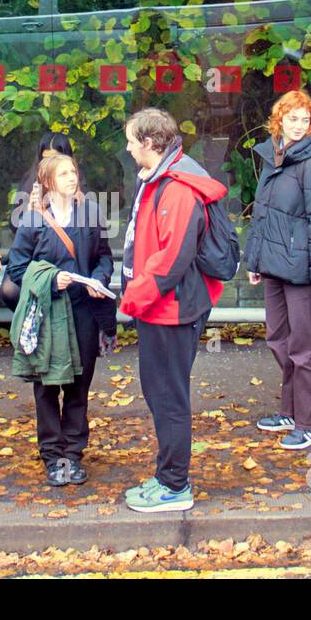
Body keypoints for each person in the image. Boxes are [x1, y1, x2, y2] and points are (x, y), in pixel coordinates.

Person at [118, 107, 227, 513]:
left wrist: (132, 297)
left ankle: (175, 487)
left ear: (150, 142)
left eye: (132, 141)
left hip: (171, 310)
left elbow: (171, 260)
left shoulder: (177, 188)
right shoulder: (164, 176)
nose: (128, 148)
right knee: (161, 394)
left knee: (169, 398)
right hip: (161, 308)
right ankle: (168, 477)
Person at [6, 152, 115, 486]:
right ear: (49, 181)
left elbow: (104, 257)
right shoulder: (33, 221)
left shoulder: (91, 214)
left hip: (84, 312)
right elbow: (17, 269)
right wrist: (52, 281)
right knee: (47, 387)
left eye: (74, 171)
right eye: (64, 173)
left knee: (79, 387)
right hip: (48, 315)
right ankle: (53, 457)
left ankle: (73, 455)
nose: (72, 177)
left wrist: (99, 279)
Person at [244, 90, 311, 450]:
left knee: (306, 346)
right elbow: (263, 212)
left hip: (300, 269)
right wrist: (254, 260)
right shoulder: (275, 156)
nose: (299, 126)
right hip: (273, 265)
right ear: (279, 120)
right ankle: (292, 410)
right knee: (279, 339)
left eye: (306, 120)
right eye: (292, 118)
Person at [9, 132, 82, 234]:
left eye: (56, 159)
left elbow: (90, 233)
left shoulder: (75, 181)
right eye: (46, 159)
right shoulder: (30, 181)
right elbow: (14, 227)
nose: (49, 164)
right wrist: (29, 211)